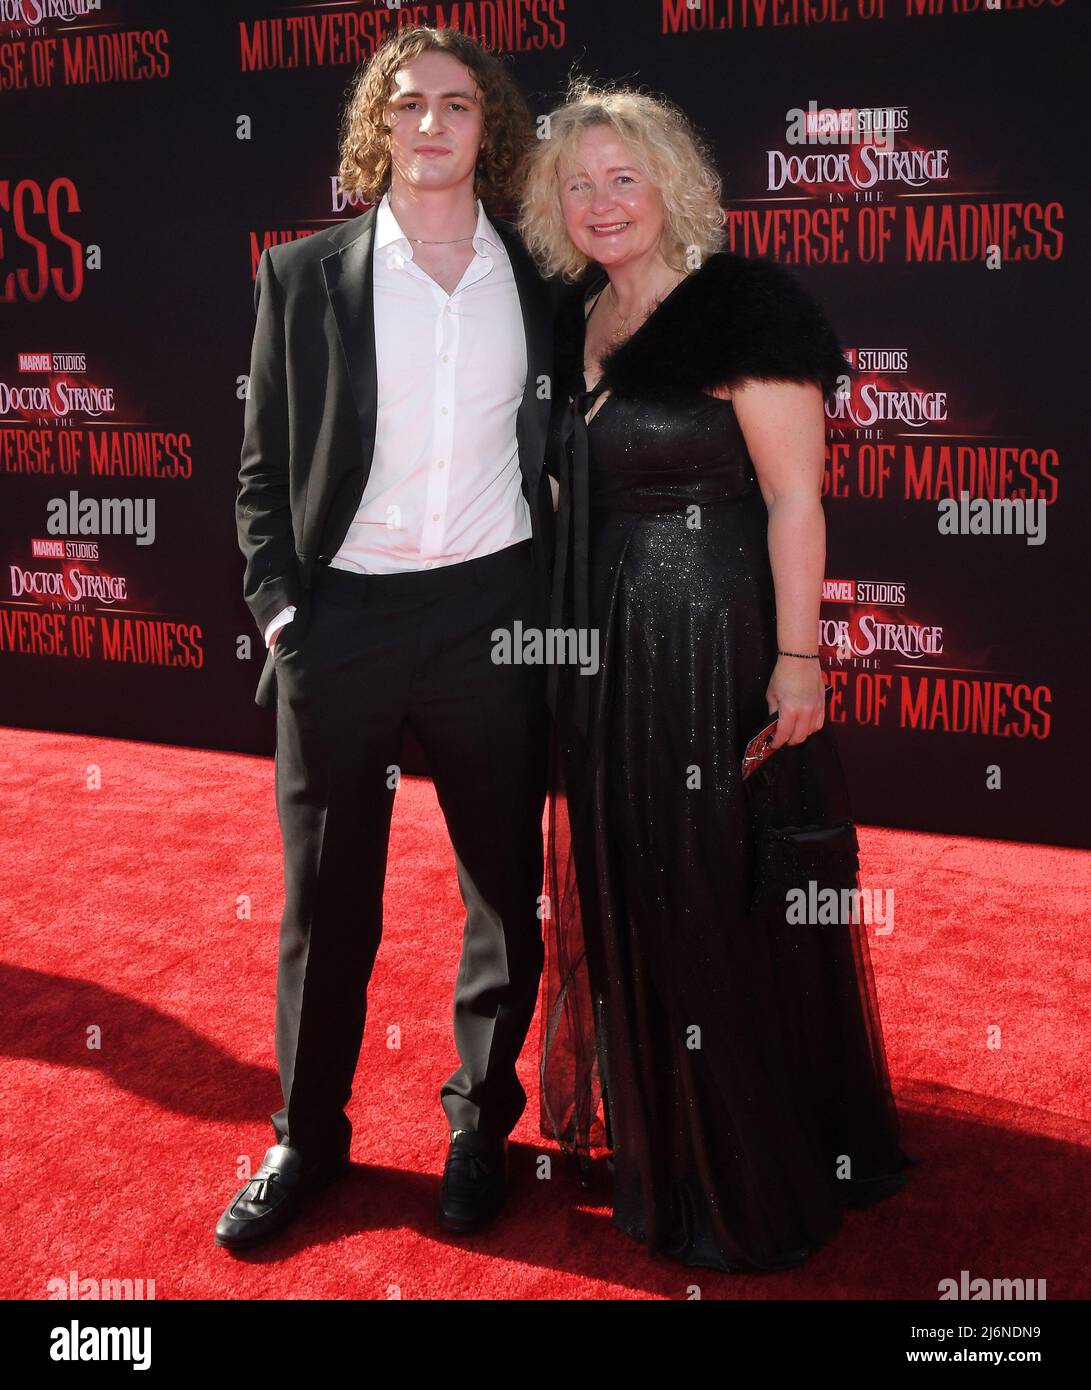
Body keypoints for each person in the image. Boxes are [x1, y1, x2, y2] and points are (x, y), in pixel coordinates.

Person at [520, 83, 921, 1272]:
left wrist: (798, 660)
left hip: (712, 640)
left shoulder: (744, 310)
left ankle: (741, 1167)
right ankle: (670, 1138)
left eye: (622, 177)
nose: (601, 202)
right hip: (604, 648)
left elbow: (795, 498)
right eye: (578, 184)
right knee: (632, 878)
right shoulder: (573, 316)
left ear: (672, 183)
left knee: (707, 882)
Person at [219, 28, 556, 1249]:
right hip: (342, 623)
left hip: (491, 617)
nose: (429, 125)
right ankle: (306, 1137)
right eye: (406, 104)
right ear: (378, 125)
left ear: (486, 126)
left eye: (455, 105)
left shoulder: (543, 282)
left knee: (502, 890)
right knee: (327, 903)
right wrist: (285, 618)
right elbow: (260, 476)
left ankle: (479, 1126)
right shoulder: (302, 274)